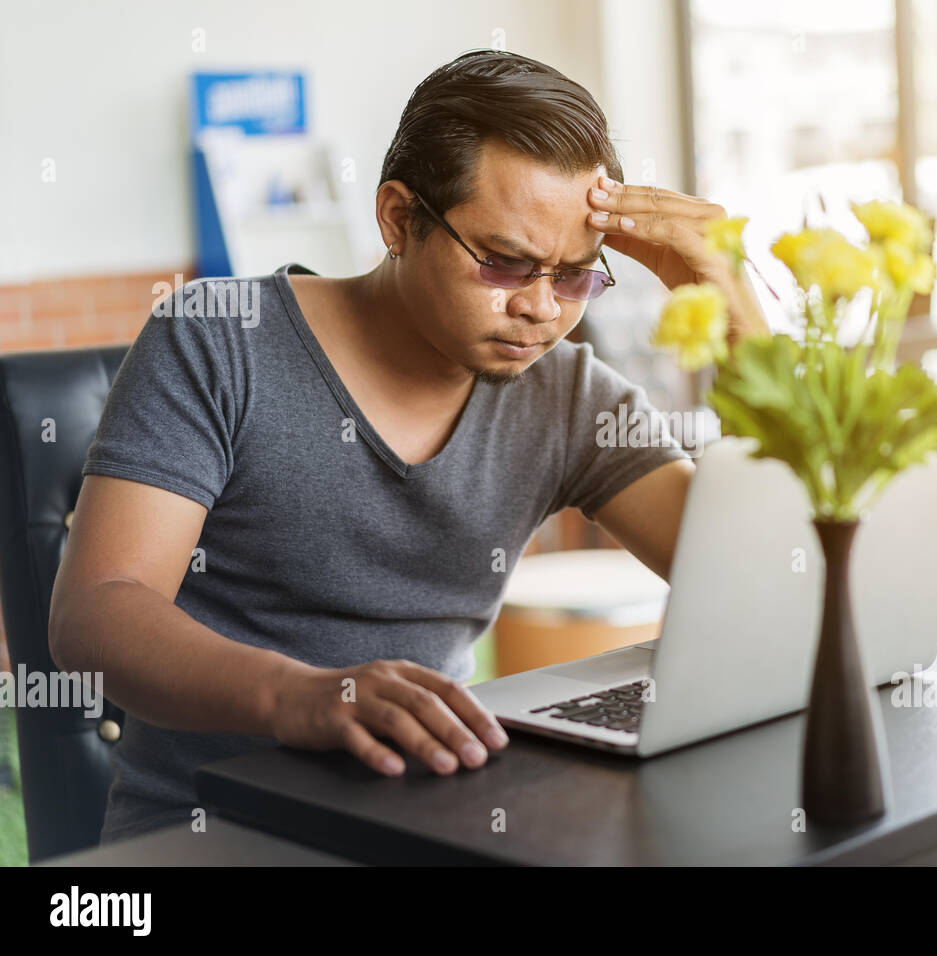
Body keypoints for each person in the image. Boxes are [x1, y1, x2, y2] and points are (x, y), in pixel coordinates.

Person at [48, 49, 767, 843]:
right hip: (209, 828)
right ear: (398, 219)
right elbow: (98, 609)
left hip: (428, 816)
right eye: (503, 263)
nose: (539, 308)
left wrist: (741, 318)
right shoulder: (217, 341)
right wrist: (303, 696)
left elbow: (756, 575)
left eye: (572, 276)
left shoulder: (568, 395)